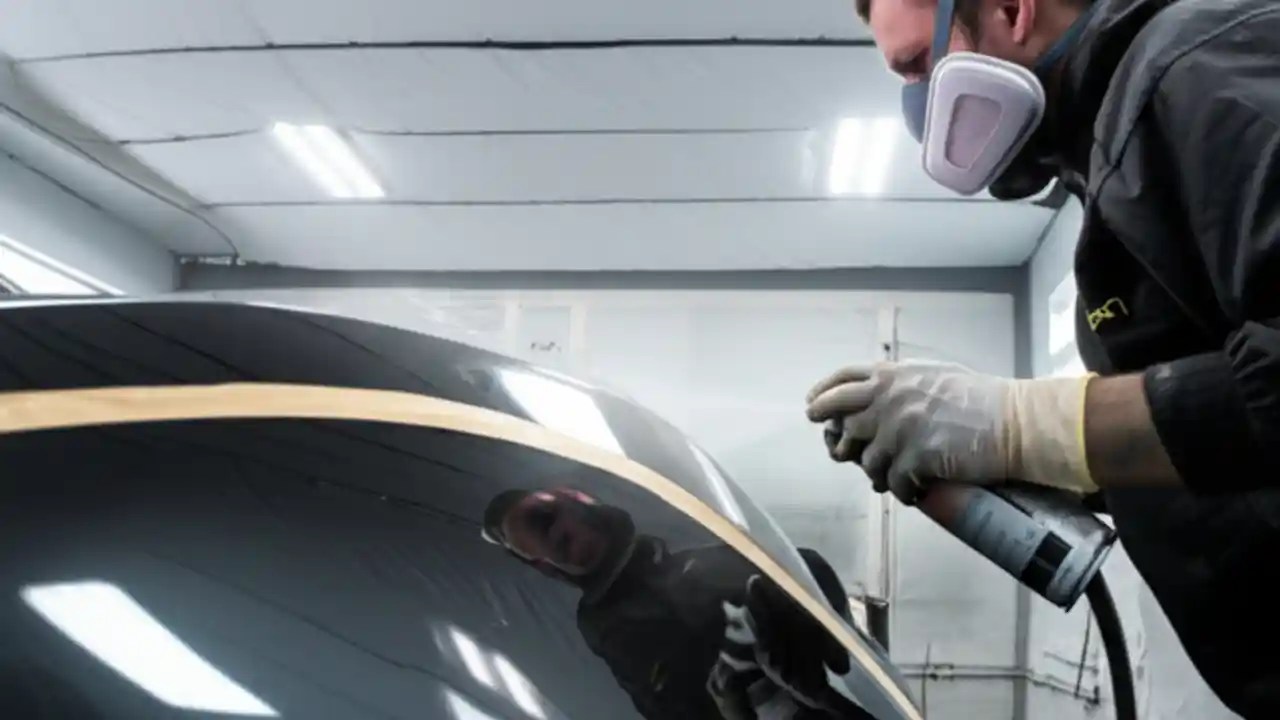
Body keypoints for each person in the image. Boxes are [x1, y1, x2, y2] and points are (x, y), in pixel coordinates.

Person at [805, 0, 1280, 716]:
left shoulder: (1196, 69)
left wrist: (1024, 426)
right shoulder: (1114, 150)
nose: (919, 108)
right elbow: (1225, 442)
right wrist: (1016, 455)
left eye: (916, 67)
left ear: (1010, 9)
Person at [481, 487, 865, 719]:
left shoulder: (696, 551)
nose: (554, 543)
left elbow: (808, 579)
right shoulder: (613, 633)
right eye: (536, 553)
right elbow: (676, 705)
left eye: (545, 519)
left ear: (573, 497)